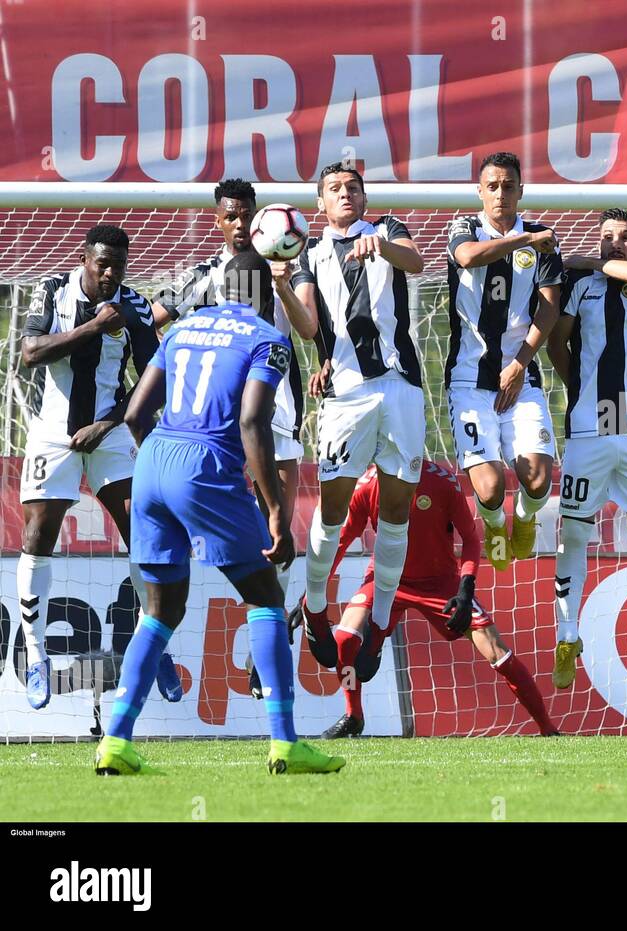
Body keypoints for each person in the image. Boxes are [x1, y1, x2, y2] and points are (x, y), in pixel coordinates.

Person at [95, 250, 343, 775]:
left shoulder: (183, 329)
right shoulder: (267, 339)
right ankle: (285, 743)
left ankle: (115, 740)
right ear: (260, 291)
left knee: (161, 609)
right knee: (266, 595)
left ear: (222, 287)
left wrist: (160, 467)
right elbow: (253, 421)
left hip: (154, 459)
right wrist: (275, 508)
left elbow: (137, 412)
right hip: (206, 463)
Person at [17, 224, 180, 710]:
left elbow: (160, 381)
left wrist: (107, 425)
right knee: (37, 536)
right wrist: (94, 325)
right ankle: (36, 654)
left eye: (118, 265)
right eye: (101, 263)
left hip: (108, 434)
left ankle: (157, 645)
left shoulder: (135, 308)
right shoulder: (52, 291)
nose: (109, 273)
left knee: (143, 532)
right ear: (85, 259)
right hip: (53, 431)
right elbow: (30, 353)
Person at [152, 178, 315, 616]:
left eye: (246, 214)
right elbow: (152, 320)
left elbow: (308, 329)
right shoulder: (204, 275)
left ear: (259, 215)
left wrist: (280, 283)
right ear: (218, 220)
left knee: (274, 510)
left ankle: (274, 618)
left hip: (274, 402)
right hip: (216, 409)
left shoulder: (292, 262)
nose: (240, 223)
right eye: (231, 216)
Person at [290, 162, 427, 671]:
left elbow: (414, 263)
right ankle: (315, 607)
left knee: (395, 513)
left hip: (402, 390)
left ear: (365, 199)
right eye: (334, 189)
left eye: (353, 188)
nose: (345, 194)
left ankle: (383, 623)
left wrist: (382, 247)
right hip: (345, 395)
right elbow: (307, 325)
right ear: (320, 205)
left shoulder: (387, 230)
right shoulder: (307, 251)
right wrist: (283, 283)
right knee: (333, 511)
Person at [318, 461, 557, 738]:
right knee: (345, 636)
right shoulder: (368, 484)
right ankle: (353, 715)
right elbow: (344, 538)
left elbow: (470, 539)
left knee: (497, 652)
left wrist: (465, 590)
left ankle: (548, 728)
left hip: (441, 584)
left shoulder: (442, 482)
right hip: (385, 581)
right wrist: (312, 594)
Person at [546, 208, 627, 692]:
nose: (615, 243)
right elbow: (560, 344)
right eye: (606, 238)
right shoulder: (580, 288)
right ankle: (567, 635)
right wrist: (578, 390)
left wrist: (588, 260)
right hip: (592, 425)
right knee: (573, 534)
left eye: (624, 237)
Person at [445, 152, 563, 571]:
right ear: (480, 191)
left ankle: (526, 519)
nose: (500, 194)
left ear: (520, 191)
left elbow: (549, 308)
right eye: (492, 186)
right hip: (467, 380)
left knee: (536, 479)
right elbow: (467, 257)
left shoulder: (542, 239)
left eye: (508, 186)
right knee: (491, 486)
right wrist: (526, 240)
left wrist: (519, 363)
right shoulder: (463, 228)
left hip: (521, 376)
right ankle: (495, 523)